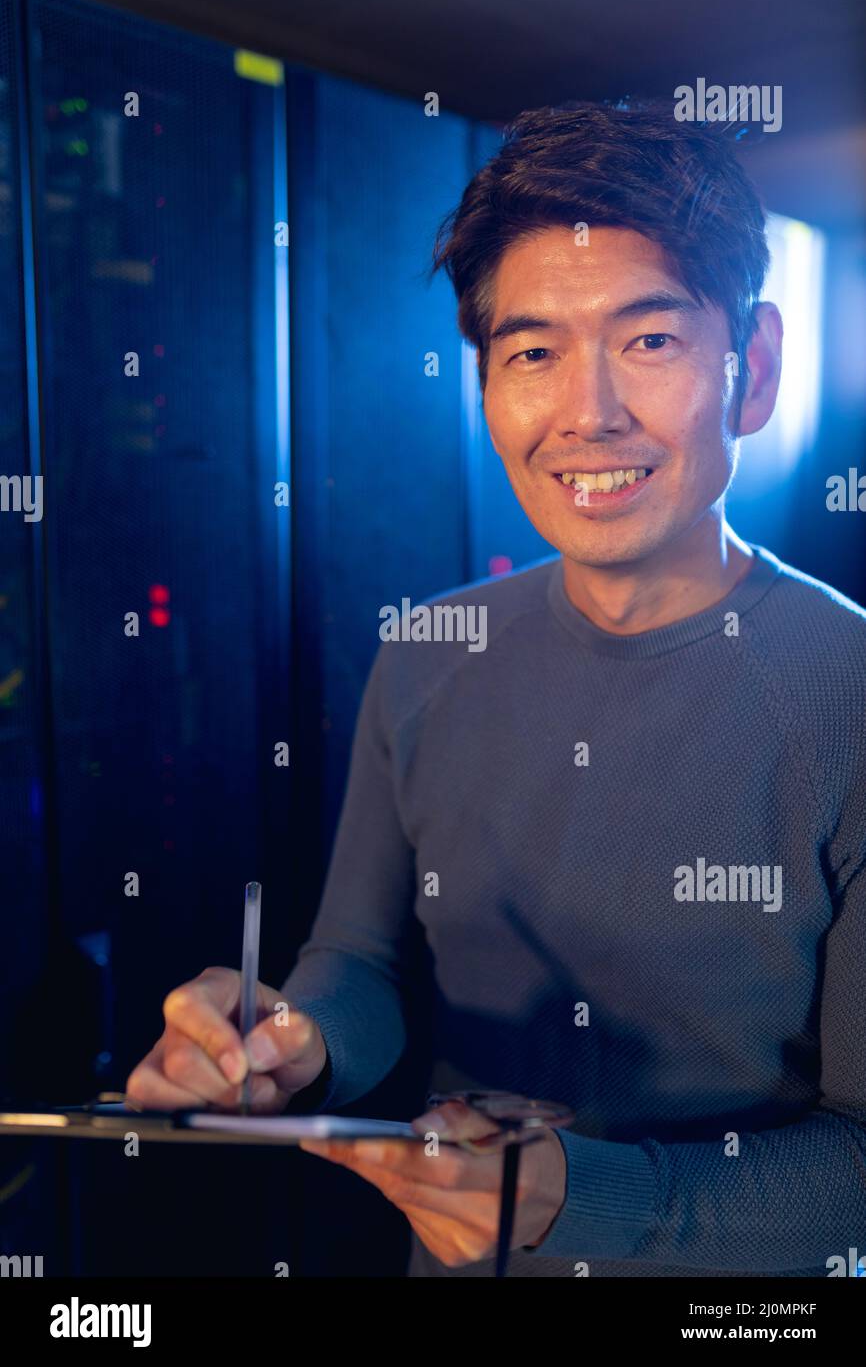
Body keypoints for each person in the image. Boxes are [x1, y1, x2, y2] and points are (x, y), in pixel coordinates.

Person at [127, 101, 866, 1278]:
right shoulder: (428, 651)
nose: (586, 413)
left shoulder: (845, 694)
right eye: (531, 352)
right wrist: (290, 1041)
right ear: (483, 384)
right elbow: (361, 960)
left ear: (754, 365)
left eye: (648, 341)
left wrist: (576, 1198)